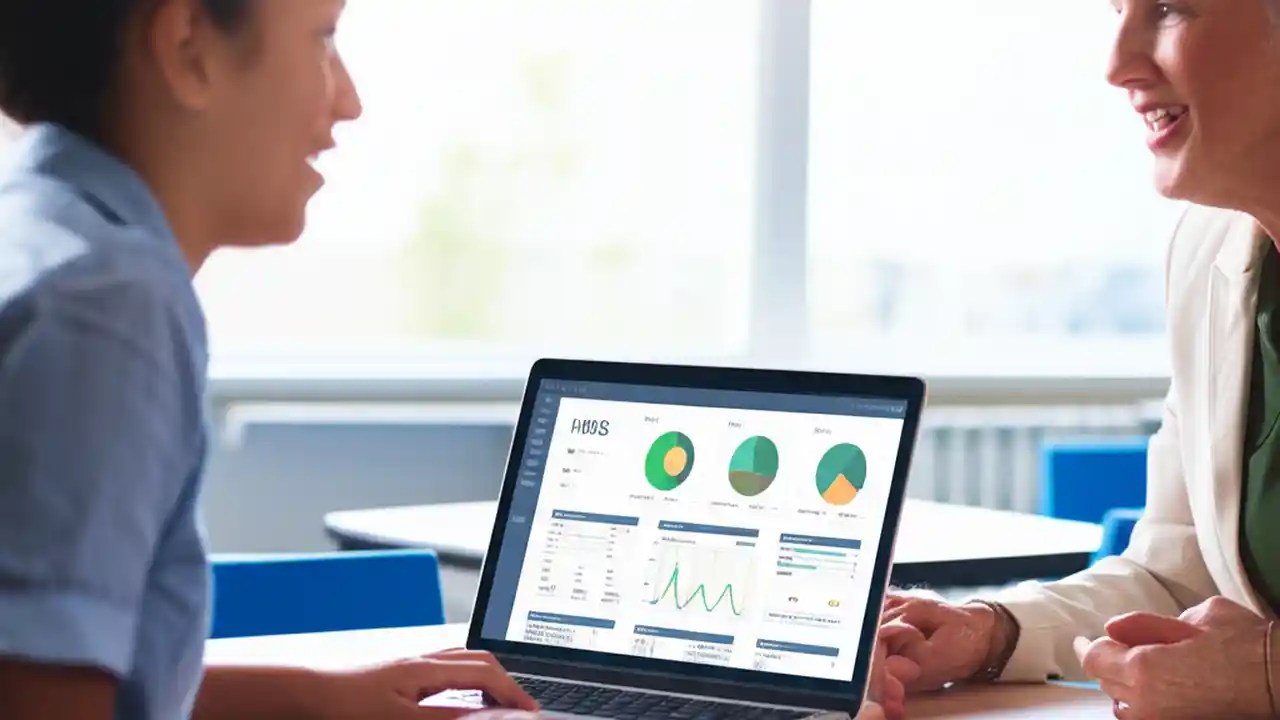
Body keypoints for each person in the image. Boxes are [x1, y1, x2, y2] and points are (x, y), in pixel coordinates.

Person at [0, 1, 904, 719]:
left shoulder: (50, 242)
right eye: (322, 38)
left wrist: (322, 697)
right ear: (189, 42)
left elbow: (95, 687)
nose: (346, 98)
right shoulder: (105, 309)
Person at [879, 1, 1280, 718]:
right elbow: (1176, 577)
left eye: (1168, 9)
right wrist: (992, 632)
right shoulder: (1208, 249)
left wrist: (1269, 677)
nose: (1118, 62)